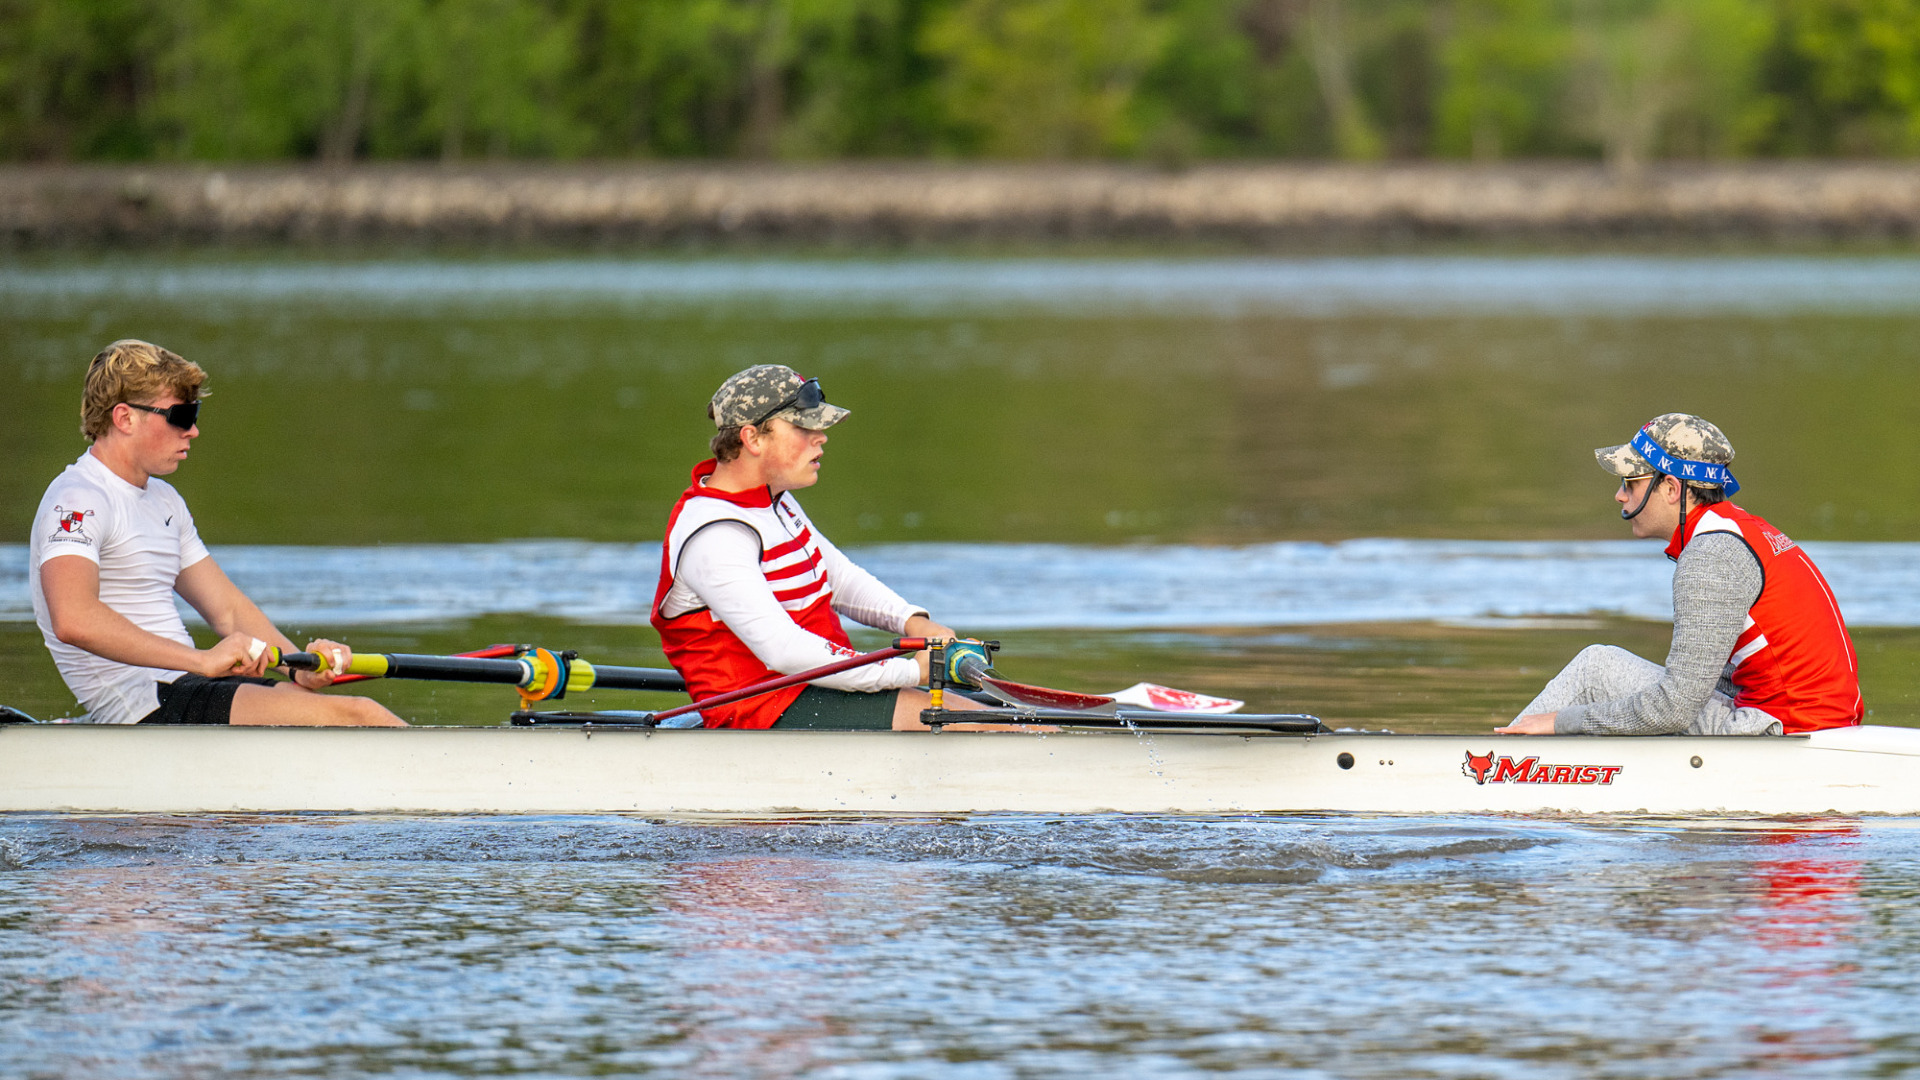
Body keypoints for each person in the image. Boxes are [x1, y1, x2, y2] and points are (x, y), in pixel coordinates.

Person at [30, 340, 405, 727]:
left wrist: (300, 670)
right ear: (125, 418)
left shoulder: (164, 500)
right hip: (141, 701)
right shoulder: (78, 498)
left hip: (180, 688)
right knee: (360, 715)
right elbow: (73, 619)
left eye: (195, 414)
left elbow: (228, 609)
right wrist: (203, 660)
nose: (193, 431)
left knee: (319, 702)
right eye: (181, 415)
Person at [651, 365, 1001, 730]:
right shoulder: (716, 536)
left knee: (998, 716)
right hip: (762, 712)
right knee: (1000, 727)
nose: (821, 437)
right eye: (803, 428)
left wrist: (913, 622)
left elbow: (840, 578)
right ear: (753, 439)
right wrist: (910, 671)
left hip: (817, 688)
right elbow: (785, 650)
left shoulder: (774, 502)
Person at [1499, 413, 1861, 737]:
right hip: (1818, 723)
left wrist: (1562, 721)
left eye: (1631, 482)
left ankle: (1500, 764)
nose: (1619, 495)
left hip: (1783, 729)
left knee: (1597, 668)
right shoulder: (1742, 529)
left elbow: (1673, 709)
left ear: (1672, 489)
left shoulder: (1711, 555)